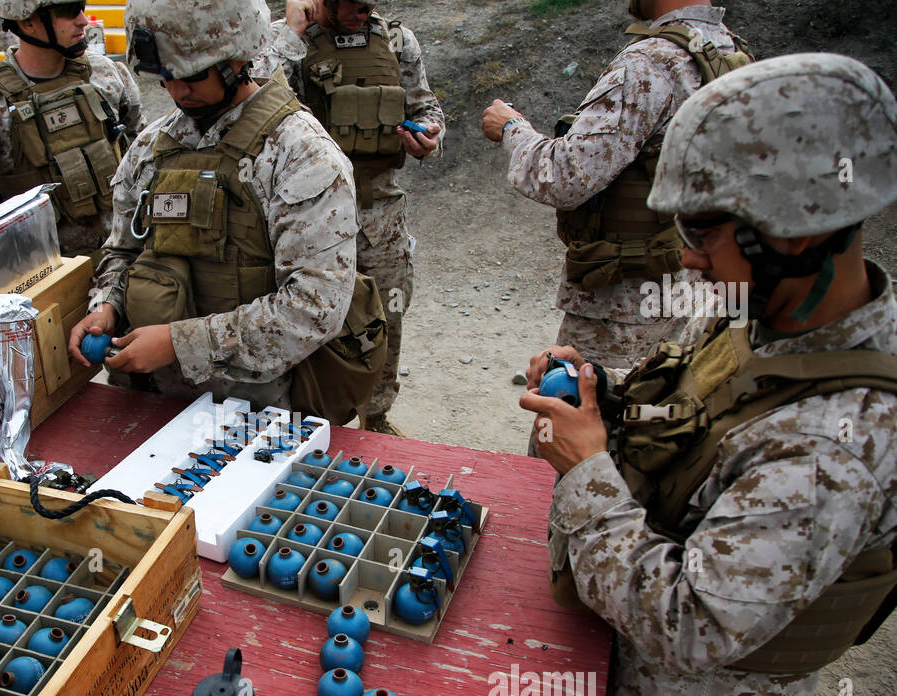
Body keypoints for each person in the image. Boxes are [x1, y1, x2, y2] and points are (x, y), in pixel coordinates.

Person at [518, 52, 897, 696]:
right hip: (625, 670)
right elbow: (695, 413)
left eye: (701, 230)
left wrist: (585, 471)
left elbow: (693, 623)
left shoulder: (837, 445)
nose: (686, 256)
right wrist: (605, 398)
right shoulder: (771, 315)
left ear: (792, 233)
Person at [66, 0, 367, 415]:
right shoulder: (152, 148)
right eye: (164, 78)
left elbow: (314, 307)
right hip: (150, 399)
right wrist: (107, 306)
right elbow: (123, 251)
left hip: (259, 412)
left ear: (238, 57)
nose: (176, 91)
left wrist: (178, 344)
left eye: (190, 75)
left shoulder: (300, 154)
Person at [482, 0, 750, 369]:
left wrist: (512, 130)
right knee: (668, 413)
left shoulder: (650, 63)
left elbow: (565, 177)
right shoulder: (730, 53)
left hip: (625, 298)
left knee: (578, 413)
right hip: (701, 288)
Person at [252, 0, 443, 434]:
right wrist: (293, 32)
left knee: (385, 318)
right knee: (302, 316)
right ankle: (306, 421)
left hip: (380, 221)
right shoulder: (287, 40)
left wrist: (430, 135)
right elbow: (255, 102)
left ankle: (375, 417)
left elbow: (426, 108)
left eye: (368, 4)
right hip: (304, 221)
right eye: (351, 4)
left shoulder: (396, 41)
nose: (361, 12)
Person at [0, 0, 144, 256]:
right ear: (27, 22)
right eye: (68, 11)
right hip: (44, 267)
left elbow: (141, 147)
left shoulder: (105, 74)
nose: (83, 20)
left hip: (123, 252)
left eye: (81, 7)